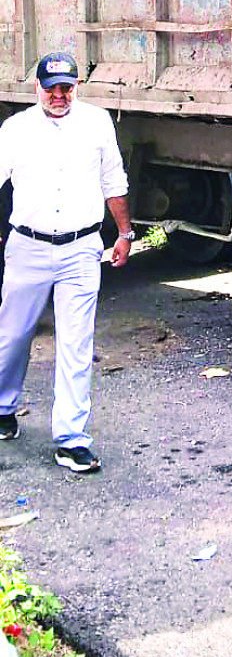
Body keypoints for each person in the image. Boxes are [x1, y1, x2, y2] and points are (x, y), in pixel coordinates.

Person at [0, 53, 133, 474]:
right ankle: (3, 408)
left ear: (77, 87)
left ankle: (71, 440)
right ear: (36, 86)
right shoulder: (15, 129)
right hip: (27, 248)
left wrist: (125, 233)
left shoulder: (96, 123)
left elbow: (114, 179)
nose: (59, 96)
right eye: (51, 87)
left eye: (67, 88)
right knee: (12, 336)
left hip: (81, 250)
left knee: (76, 345)